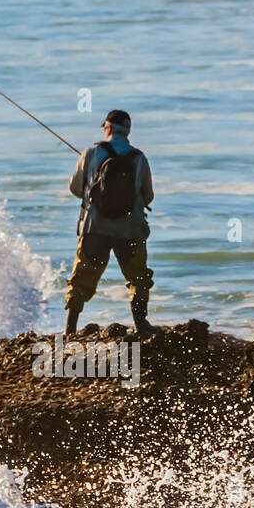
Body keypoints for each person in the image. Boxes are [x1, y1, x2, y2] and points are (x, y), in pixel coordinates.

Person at [66, 109, 159, 338]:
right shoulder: (139, 158)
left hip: (94, 228)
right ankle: (142, 325)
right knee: (138, 278)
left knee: (82, 278)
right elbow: (148, 196)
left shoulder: (90, 153)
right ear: (128, 131)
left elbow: (76, 189)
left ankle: (69, 329)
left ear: (107, 128)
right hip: (130, 229)